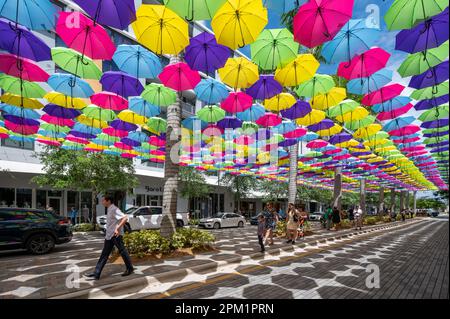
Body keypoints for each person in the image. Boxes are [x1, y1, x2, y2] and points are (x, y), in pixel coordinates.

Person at [85, 195, 134, 280]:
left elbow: (125, 218)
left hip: (115, 235)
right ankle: (96, 273)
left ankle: (130, 268)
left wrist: (118, 228)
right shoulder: (109, 209)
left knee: (123, 251)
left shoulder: (114, 209)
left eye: (103, 200)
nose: (102, 202)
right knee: (104, 254)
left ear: (108, 201)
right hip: (109, 236)